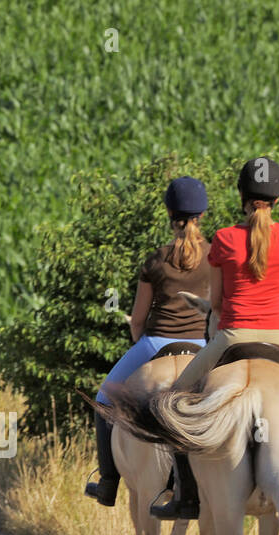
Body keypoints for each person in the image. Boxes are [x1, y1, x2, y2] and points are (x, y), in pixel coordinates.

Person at [147, 157, 279, 519]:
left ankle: (184, 495)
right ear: (277, 199)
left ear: (241, 196)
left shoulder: (224, 238)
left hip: (230, 337)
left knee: (173, 403)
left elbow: (215, 303)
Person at [84, 176, 212, 507]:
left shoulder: (156, 260)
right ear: (202, 214)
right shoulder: (216, 256)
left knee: (104, 397)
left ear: (170, 214)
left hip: (156, 343)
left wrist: (142, 344)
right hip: (204, 346)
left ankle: (108, 481)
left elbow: (138, 318)